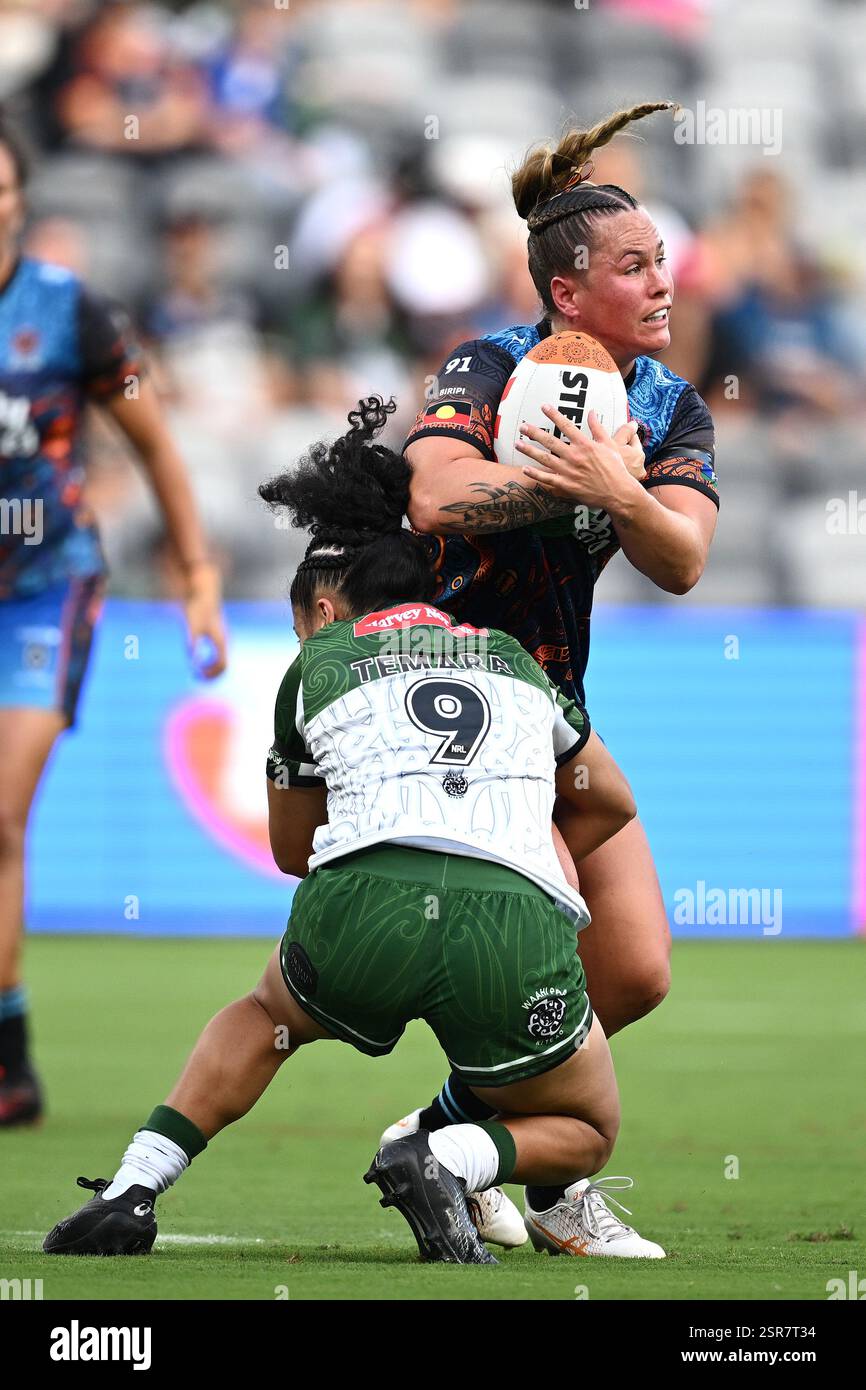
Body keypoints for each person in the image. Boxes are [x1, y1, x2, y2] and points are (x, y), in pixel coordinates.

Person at [42, 397, 664, 1264]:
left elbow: (294, 852)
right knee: (586, 1126)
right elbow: (613, 802)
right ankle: (446, 1153)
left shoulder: (316, 664)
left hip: (363, 909)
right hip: (513, 920)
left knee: (265, 1014)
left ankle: (134, 1188)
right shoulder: (511, 658)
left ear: (325, 609)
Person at [390, 101, 719, 1249]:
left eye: (663, 262)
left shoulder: (668, 403)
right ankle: (545, 1184)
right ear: (567, 292)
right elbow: (433, 495)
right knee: (531, 969)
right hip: (450, 712)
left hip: (556, 712)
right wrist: (567, 483)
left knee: (629, 970)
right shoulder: (483, 365)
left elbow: (679, 558)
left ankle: (441, 1139)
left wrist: (620, 489)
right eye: (635, 268)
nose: (663, 284)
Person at [0, 120, 226, 1126]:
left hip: (49, 585)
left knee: (0, 817)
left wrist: (199, 575)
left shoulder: (73, 316)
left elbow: (157, 447)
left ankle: (7, 1056)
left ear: (20, 199)